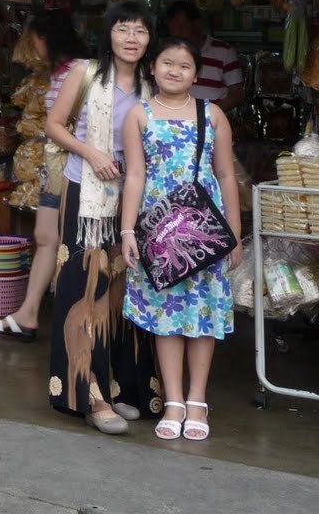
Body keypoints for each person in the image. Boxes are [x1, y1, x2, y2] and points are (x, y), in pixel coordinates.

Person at [43, 1, 160, 434]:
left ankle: (122, 387)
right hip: (86, 196)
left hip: (134, 201)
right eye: (123, 29)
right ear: (108, 34)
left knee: (123, 293)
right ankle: (90, 394)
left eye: (141, 31)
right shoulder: (85, 72)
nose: (131, 38)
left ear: (151, 40)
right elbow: (54, 124)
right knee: (85, 290)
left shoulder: (154, 81)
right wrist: (91, 153)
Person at [120, 36, 242, 442]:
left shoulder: (213, 115)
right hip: (157, 231)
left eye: (184, 65)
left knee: (202, 317)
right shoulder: (138, 115)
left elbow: (226, 175)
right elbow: (134, 175)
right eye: (167, 63)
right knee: (166, 318)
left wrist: (235, 235)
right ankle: (173, 400)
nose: (174, 70)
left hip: (203, 231)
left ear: (196, 74)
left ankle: (197, 400)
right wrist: (127, 230)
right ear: (153, 67)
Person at [0, 9, 88, 341]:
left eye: (34, 41)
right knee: (46, 235)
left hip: (78, 167)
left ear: (46, 39)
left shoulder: (81, 71)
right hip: (56, 166)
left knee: (75, 243)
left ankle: (79, 319)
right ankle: (28, 313)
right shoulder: (58, 72)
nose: (33, 49)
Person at [165, 0, 243, 112]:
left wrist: (209, 115)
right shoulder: (167, 53)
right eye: (173, 29)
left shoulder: (224, 51)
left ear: (196, 24)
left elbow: (237, 94)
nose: (177, 34)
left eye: (181, 28)